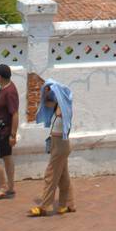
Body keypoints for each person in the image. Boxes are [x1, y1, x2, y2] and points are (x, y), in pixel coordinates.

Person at [28, 80, 76, 218]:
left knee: (51, 175)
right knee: (63, 177)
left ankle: (44, 206)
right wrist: (46, 89)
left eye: (54, 91)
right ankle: (67, 204)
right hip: (57, 143)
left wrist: (55, 89)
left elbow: (60, 99)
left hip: (61, 144)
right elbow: (45, 100)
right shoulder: (56, 106)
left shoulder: (65, 107)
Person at [0, 64, 19, 200]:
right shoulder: (4, 88)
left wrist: (13, 135)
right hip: (0, 130)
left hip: (3, 132)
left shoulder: (9, 92)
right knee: (7, 157)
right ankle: (11, 186)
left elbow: (15, 114)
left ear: (0, 77)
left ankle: (3, 186)